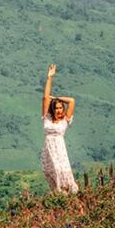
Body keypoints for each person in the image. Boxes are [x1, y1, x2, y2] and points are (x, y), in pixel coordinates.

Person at [41, 63, 78, 193]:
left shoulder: (65, 120)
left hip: (60, 149)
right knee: (49, 170)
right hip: (48, 148)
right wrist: (49, 78)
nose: (58, 110)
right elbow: (45, 97)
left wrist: (56, 98)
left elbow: (72, 101)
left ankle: (68, 194)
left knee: (61, 170)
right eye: (56, 108)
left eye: (60, 108)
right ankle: (58, 194)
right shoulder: (47, 118)